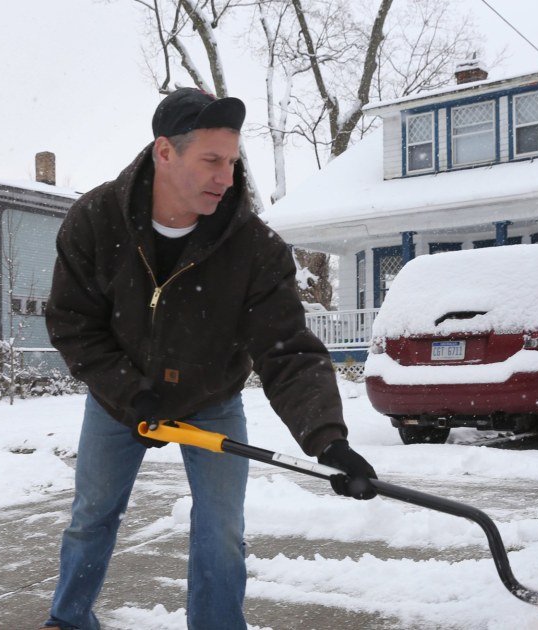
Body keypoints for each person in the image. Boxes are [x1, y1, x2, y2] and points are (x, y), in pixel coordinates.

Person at [40, 87, 377, 630]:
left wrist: (327, 438)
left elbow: (286, 349)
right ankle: (70, 619)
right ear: (165, 153)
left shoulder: (252, 247)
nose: (226, 176)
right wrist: (130, 393)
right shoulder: (97, 221)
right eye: (212, 161)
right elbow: (73, 323)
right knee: (92, 516)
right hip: (120, 396)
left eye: (233, 162)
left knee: (221, 527)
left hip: (210, 396)